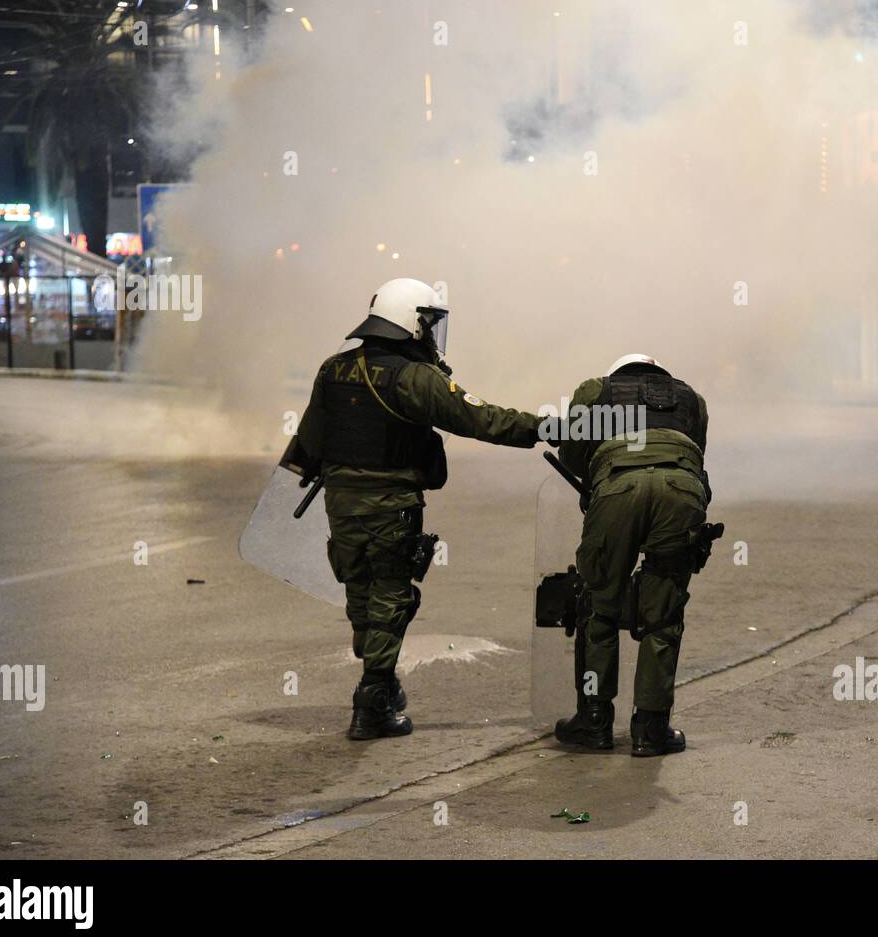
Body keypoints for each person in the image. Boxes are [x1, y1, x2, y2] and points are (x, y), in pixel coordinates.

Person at [295, 278, 542, 740]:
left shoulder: (333, 369)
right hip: (392, 502)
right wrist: (544, 427)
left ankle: (382, 682)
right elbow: (482, 418)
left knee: (361, 589)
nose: (430, 333)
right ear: (410, 320)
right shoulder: (416, 378)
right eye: (427, 322)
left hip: (341, 501)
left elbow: (309, 441)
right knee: (392, 593)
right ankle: (371, 702)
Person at [552, 353, 712, 757]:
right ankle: (651, 729)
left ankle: (594, 722)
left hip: (618, 488)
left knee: (598, 607)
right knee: (664, 612)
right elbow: (697, 456)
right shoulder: (692, 398)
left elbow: (573, 456)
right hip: (680, 490)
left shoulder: (597, 391)